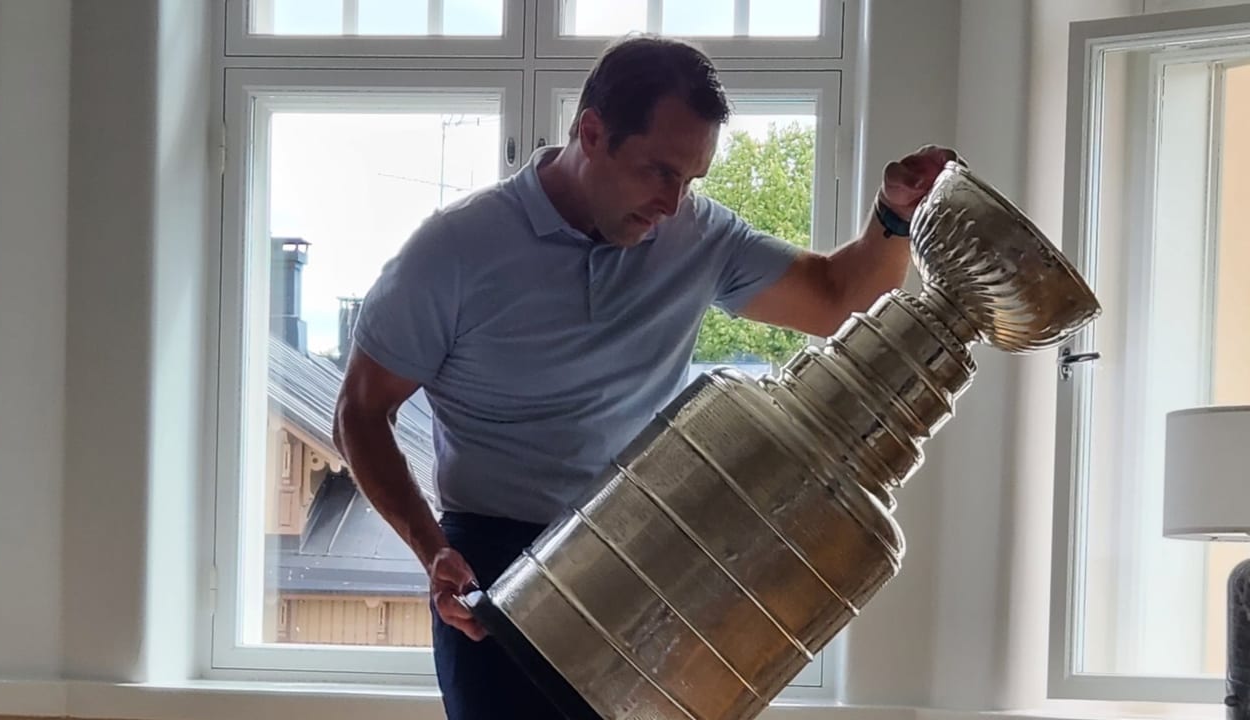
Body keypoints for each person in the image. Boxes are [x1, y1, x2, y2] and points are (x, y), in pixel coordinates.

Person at [333, 33, 956, 720]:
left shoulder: (697, 233)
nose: (672, 201)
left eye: (690, 179)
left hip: (647, 546)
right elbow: (360, 412)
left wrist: (895, 215)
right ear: (592, 132)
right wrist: (432, 551)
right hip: (497, 562)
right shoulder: (454, 250)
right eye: (658, 171)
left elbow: (839, 299)